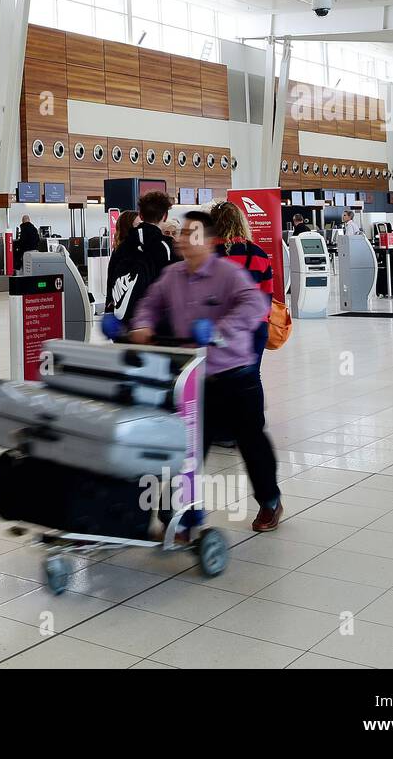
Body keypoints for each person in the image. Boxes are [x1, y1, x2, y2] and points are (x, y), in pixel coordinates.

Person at [129, 210, 282, 533]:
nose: (184, 239)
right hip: (193, 380)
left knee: (251, 444)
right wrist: (142, 324)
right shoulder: (172, 275)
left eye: (192, 233)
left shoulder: (227, 274)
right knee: (187, 450)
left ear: (210, 241)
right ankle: (184, 515)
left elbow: (254, 306)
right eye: (182, 233)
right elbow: (150, 303)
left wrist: (218, 331)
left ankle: (269, 500)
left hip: (235, 376)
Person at [211, 200, 274, 371]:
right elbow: (267, 294)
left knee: (220, 378)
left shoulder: (209, 255)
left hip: (221, 326)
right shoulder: (258, 253)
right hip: (256, 324)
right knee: (253, 377)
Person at [105, 191, 174, 319]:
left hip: (123, 322)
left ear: (141, 215)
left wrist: (109, 311)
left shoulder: (123, 245)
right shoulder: (167, 246)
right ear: (165, 216)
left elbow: (111, 279)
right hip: (153, 324)